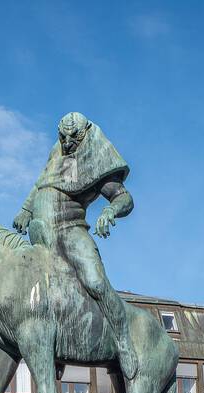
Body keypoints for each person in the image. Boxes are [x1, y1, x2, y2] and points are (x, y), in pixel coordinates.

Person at [12, 111, 139, 379]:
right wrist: (26, 210)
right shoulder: (57, 151)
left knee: (94, 282)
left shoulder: (96, 155)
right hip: (41, 233)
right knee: (34, 293)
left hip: (71, 230)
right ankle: (55, 349)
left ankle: (124, 341)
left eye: (73, 138)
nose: (67, 143)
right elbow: (41, 184)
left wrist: (110, 212)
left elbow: (123, 198)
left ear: (85, 135)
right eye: (62, 136)